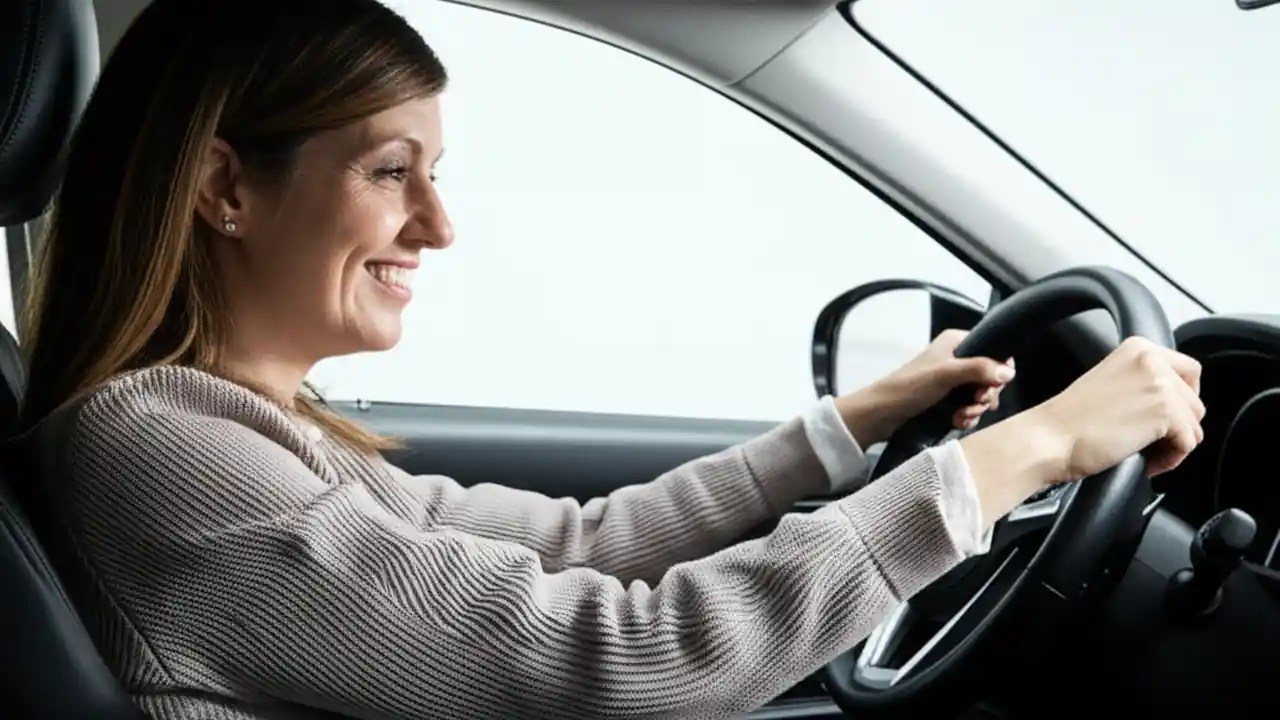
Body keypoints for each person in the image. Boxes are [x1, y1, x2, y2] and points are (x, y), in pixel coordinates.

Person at [9, 0, 1205, 718]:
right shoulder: (161, 452)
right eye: (389, 172)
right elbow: (614, 658)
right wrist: (1028, 450)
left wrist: (849, 425)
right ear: (224, 186)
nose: (437, 225)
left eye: (436, 174)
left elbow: (574, 551)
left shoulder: (242, 428)